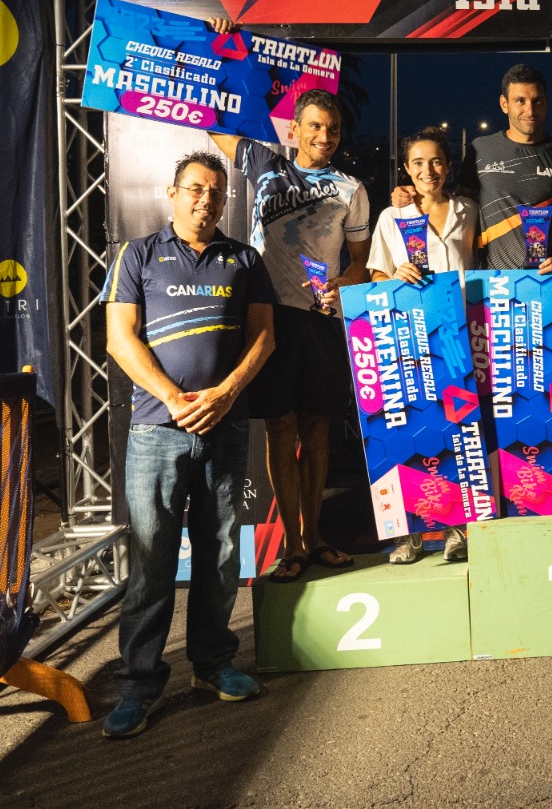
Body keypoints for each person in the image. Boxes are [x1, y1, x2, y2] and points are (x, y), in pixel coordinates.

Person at [101, 150, 275, 738]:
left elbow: (264, 339)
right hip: (156, 428)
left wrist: (225, 393)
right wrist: (175, 399)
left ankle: (213, 666)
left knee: (221, 555)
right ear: (172, 194)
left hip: (226, 427)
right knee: (151, 562)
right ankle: (139, 685)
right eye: (196, 189)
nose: (207, 199)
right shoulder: (137, 255)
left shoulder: (244, 259)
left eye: (217, 192)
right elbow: (119, 339)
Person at [208, 89, 370, 583]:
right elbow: (212, 124)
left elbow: (361, 263)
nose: (325, 136)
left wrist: (343, 285)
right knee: (280, 427)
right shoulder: (264, 162)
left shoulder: (351, 188)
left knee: (317, 428)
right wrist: (223, 50)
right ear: (294, 129)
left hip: (321, 318)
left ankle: (315, 536)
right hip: (268, 315)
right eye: (316, 126)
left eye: (334, 128)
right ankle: (294, 545)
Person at [368, 126, 476, 564]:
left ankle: (457, 529)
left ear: (448, 166)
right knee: (408, 434)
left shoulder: (468, 210)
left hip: (457, 338)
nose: (427, 170)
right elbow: (375, 276)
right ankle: (408, 534)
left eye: (435, 161)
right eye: (417, 163)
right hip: (407, 338)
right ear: (405, 169)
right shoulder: (390, 217)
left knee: (458, 433)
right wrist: (394, 275)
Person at [392, 64, 552, 271]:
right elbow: (455, 204)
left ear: (546, 103)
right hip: (496, 284)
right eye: (520, 101)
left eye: (537, 101)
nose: (530, 110)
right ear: (504, 104)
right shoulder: (481, 149)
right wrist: (411, 194)